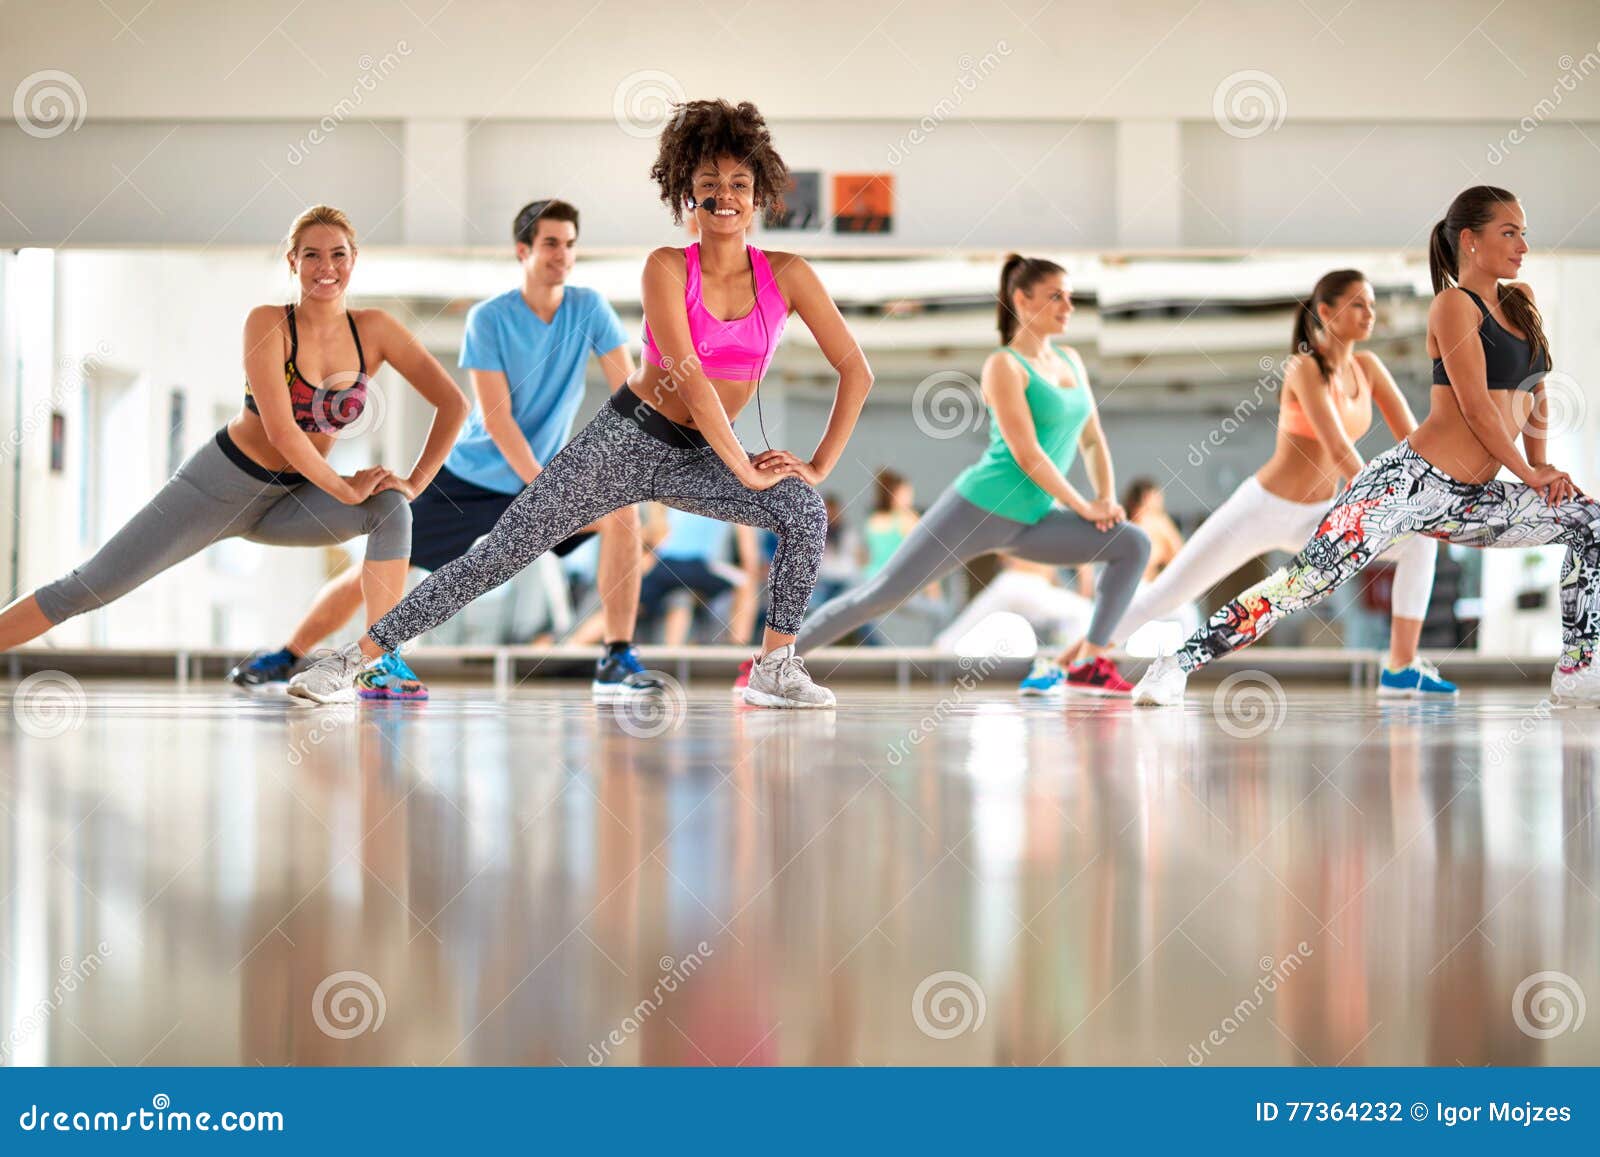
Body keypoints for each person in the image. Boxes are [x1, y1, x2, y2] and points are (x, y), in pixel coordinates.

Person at [286, 99, 872, 708]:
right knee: (500, 554)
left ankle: (775, 666)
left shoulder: (789, 274)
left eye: (740, 185)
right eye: (708, 185)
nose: (725, 196)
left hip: (703, 453)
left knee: (803, 507)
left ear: (759, 196)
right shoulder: (666, 267)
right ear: (685, 195)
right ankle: (352, 660)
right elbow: (690, 377)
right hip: (627, 440)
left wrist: (819, 465)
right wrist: (746, 467)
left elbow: (856, 369)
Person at [1134, 187, 1600, 707]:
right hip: (1405, 484)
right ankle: (1174, 664)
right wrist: (1528, 474)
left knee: (1589, 521)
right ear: (1470, 240)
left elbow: (1536, 389)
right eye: (1509, 233)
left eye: (1524, 233)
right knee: (1304, 584)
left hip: (1470, 500)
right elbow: (1475, 408)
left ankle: (1577, 669)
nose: (1522, 246)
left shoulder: (1522, 300)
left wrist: (1542, 466)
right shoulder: (1453, 305)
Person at [228, 199, 656, 700]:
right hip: (470, 480)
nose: (562, 255)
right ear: (524, 251)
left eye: (569, 245)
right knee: (383, 569)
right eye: (550, 244)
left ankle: (616, 656)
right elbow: (496, 419)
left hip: (542, 476)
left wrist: (635, 466)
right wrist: (546, 487)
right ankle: (290, 654)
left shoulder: (590, 310)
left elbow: (629, 395)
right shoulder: (489, 319)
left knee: (624, 515)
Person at [0, 205, 468, 661]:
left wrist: (413, 483)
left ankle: (379, 661)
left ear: (354, 259)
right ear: (293, 261)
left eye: (338, 254)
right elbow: (284, 432)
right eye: (311, 255)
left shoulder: (376, 330)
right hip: (219, 486)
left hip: (293, 497)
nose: (326, 267)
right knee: (89, 586)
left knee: (391, 508)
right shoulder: (268, 323)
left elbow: (453, 403)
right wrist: (343, 488)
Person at [791, 254, 1150, 696]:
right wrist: (1083, 506)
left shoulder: (1072, 360)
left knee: (1132, 542)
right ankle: (771, 663)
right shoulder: (1004, 365)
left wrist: (1108, 499)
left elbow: (1092, 440)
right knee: (881, 595)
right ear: (1022, 299)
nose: (1068, 307)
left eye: (1071, 297)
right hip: (980, 507)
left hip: (1032, 521)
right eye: (1056, 296)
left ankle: (1089, 663)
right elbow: (1027, 454)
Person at [1114, 271, 1453, 697]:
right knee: (1166, 595)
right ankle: (1078, 657)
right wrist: (1375, 502)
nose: (1370, 313)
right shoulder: (1304, 368)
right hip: (1263, 508)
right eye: (1358, 304)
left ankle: (1400, 667)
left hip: (1317, 515)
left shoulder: (1368, 368)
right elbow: (1337, 445)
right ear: (1326, 313)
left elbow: (1415, 439)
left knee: (1420, 543)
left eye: (1371, 304)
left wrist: (1444, 485)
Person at [638, 508, 761, 645]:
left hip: (665, 565)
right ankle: (739, 642)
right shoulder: (730, 504)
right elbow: (749, 556)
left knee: (679, 596)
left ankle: (669, 650)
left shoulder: (671, 501)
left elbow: (653, 536)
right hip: (702, 565)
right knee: (746, 582)